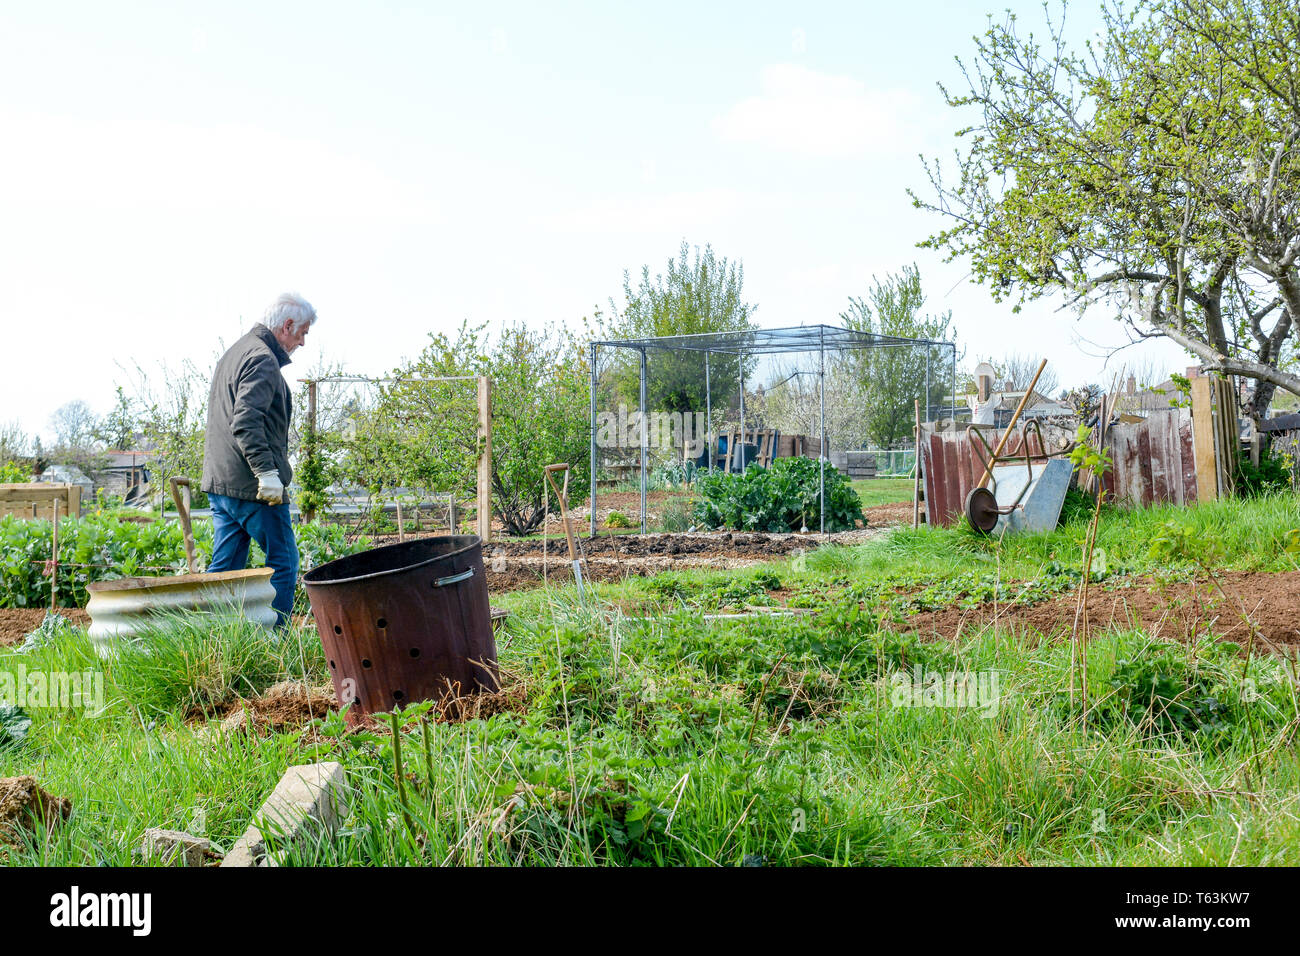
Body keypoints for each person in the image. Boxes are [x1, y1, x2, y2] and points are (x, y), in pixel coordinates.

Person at [201, 292, 317, 627]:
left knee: (225, 570)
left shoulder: (237, 351)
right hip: (252, 486)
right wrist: (266, 473)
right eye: (303, 332)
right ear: (287, 325)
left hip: (222, 482)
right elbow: (246, 421)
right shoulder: (263, 358)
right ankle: (275, 640)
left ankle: (212, 639)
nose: (303, 341)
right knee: (283, 560)